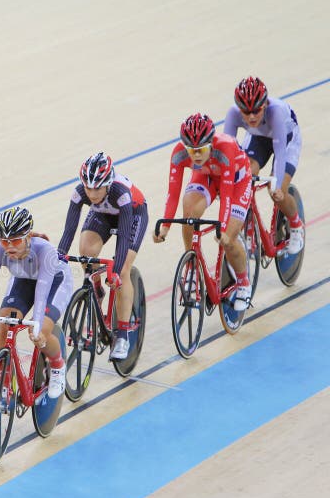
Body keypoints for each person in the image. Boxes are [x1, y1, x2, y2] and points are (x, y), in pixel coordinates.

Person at [153, 113, 253, 311]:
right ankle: (191, 265)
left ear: (211, 144)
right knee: (189, 211)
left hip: (236, 180)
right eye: (192, 150)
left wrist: (223, 230)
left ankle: (243, 284)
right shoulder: (179, 153)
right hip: (206, 175)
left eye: (201, 150)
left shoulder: (226, 148)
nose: (196, 155)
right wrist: (165, 227)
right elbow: (172, 195)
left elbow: (226, 195)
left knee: (229, 239)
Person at [57, 152, 148, 360]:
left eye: (97, 188)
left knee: (123, 269)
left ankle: (123, 335)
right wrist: (59, 255)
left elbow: (124, 237)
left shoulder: (121, 193)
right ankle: (95, 289)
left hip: (132, 215)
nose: (92, 193)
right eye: (88, 187)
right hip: (103, 215)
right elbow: (70, 229)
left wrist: (115, 272)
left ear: (107, 183)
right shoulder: (80, 193)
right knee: (86, 253)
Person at [0, 206, 73, 399]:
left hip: (54, 282)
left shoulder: (45, 251)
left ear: (28, 236)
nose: (9, 246)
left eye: (15, 240)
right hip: (23, 279)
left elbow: (41, 295)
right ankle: (5, 380)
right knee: (5, 323)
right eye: (4, 241)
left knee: (39, 331)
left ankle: (57, 365)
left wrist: (36, 325)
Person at [224, 76, 304, 254]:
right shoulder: (233, 114)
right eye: (246, 111)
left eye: (256, 110)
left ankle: (296, 224)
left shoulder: (276, 112)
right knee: (245, 173)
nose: (251, 116)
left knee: (276, 191)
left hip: (286, 140)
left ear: (265, 104)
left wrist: (277, 184)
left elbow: (280, 150)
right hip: (259, 138)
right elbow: (228, 154)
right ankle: (248, 222)